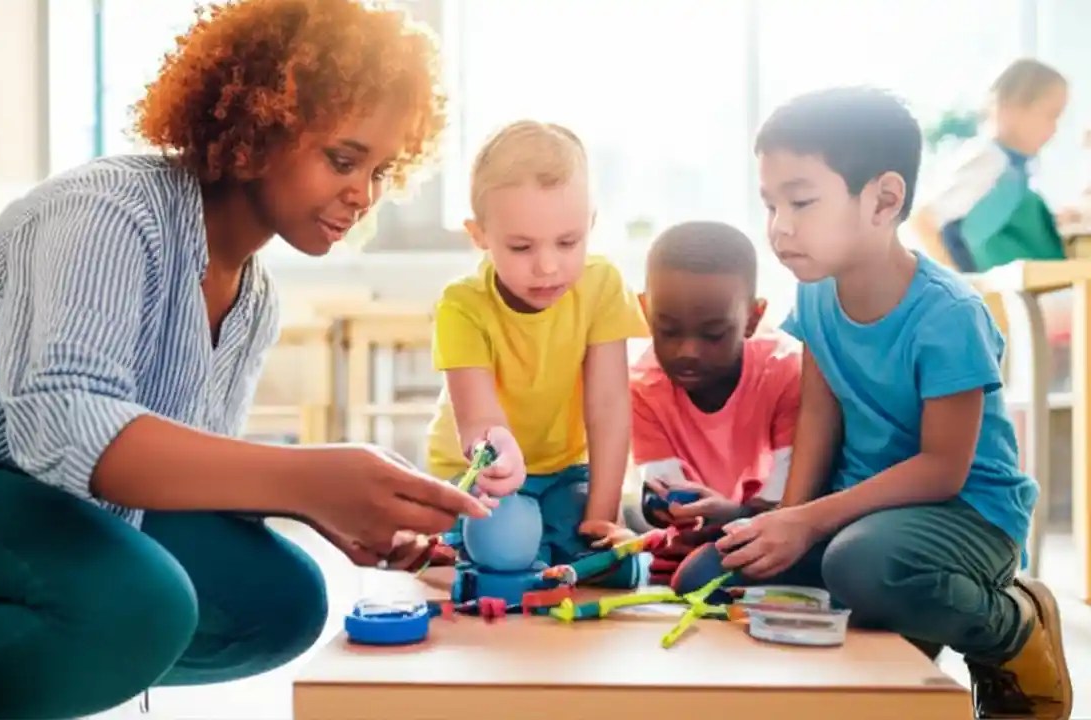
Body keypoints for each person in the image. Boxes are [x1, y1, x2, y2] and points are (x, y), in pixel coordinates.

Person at [0, 1, 489, 717]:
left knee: (278, 601)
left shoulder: (252, 301)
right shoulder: (109, 209)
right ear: (257, 126)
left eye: (383, 170)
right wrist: (311, 477)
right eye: (344, 159)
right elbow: (68, 429)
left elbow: (175, 473)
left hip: (19, 507)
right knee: (142, 601)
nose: (364, 194)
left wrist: (321, 503)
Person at [722, 86, 1071, 719]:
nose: (780, 227)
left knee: (862, 566)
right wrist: (791, 521)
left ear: (884, 199)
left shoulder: (948, 315)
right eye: (771, 204)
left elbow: (944, 469)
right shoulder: (817, 297)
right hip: (860, 517)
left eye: (801, 201)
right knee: (714, 575)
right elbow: (819, 414)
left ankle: (1011, 627)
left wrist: (812, 522)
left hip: (966, 516)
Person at [425, 120, 649, 585]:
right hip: (484, 475)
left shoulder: (603, 285)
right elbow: (479, 425)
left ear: (590, 224)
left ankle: (537, 547)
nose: (548, 266)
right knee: (509, 546)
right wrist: (498, 468)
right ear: (479, 234)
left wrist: (602, 516)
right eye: (521, 246)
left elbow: (608, 407)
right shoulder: (461, 307)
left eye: (568, 243)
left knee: (620, 566)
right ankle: (462, 539)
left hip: (566, 472)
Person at [627, 221, 801, 585]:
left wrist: (733, 513)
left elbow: (789, 503)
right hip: (713, 526)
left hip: (779, 522)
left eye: (713, 334)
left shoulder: (785, 372)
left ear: (753, 318)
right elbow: (664, 495)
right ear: (645, 311)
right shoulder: (644, 386)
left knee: (697, 575)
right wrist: (669, 513)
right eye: (669, 331)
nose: (687, 352)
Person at [914, 58, 1069, 273]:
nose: (1054, 129)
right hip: (1012, 298)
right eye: (1051, 116)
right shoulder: (989, 160)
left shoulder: (1012, 169)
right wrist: (963, 286)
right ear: (1012, 108)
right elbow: (924, 221)